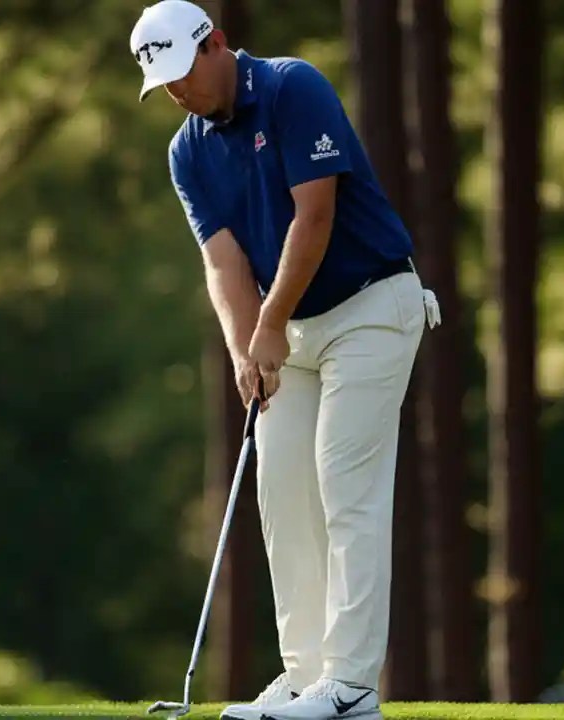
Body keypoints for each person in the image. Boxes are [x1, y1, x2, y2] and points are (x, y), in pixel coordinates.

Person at [131, 2, 439, 719]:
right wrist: (247, 349)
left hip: (372, 304)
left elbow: (317, 215)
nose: (179, 93)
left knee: (344, 481)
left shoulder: (291, 87)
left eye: (184, 74)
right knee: (284, 491)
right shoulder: (187, 151)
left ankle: (353, 684)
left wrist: (269, 325)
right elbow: (223, 261)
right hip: (289, 330)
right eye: (164, 85)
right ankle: (303, 678)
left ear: (218, 44)